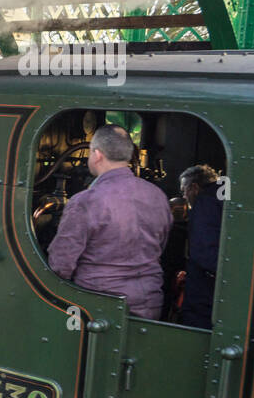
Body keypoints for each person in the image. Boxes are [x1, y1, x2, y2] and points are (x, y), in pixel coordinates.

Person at [47, 124, 173, 318]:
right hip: (149, 302)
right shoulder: (157, 196)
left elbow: (60, 265)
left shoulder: (85, 201)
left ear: (97, 155)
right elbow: (160, 245)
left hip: (98, 305)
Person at [178, 165, 223, 329]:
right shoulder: (221, 197)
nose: (183, 196)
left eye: (184, 190)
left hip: (204, 290)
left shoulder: (205, 204)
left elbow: (204, 251)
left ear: (194, 187)